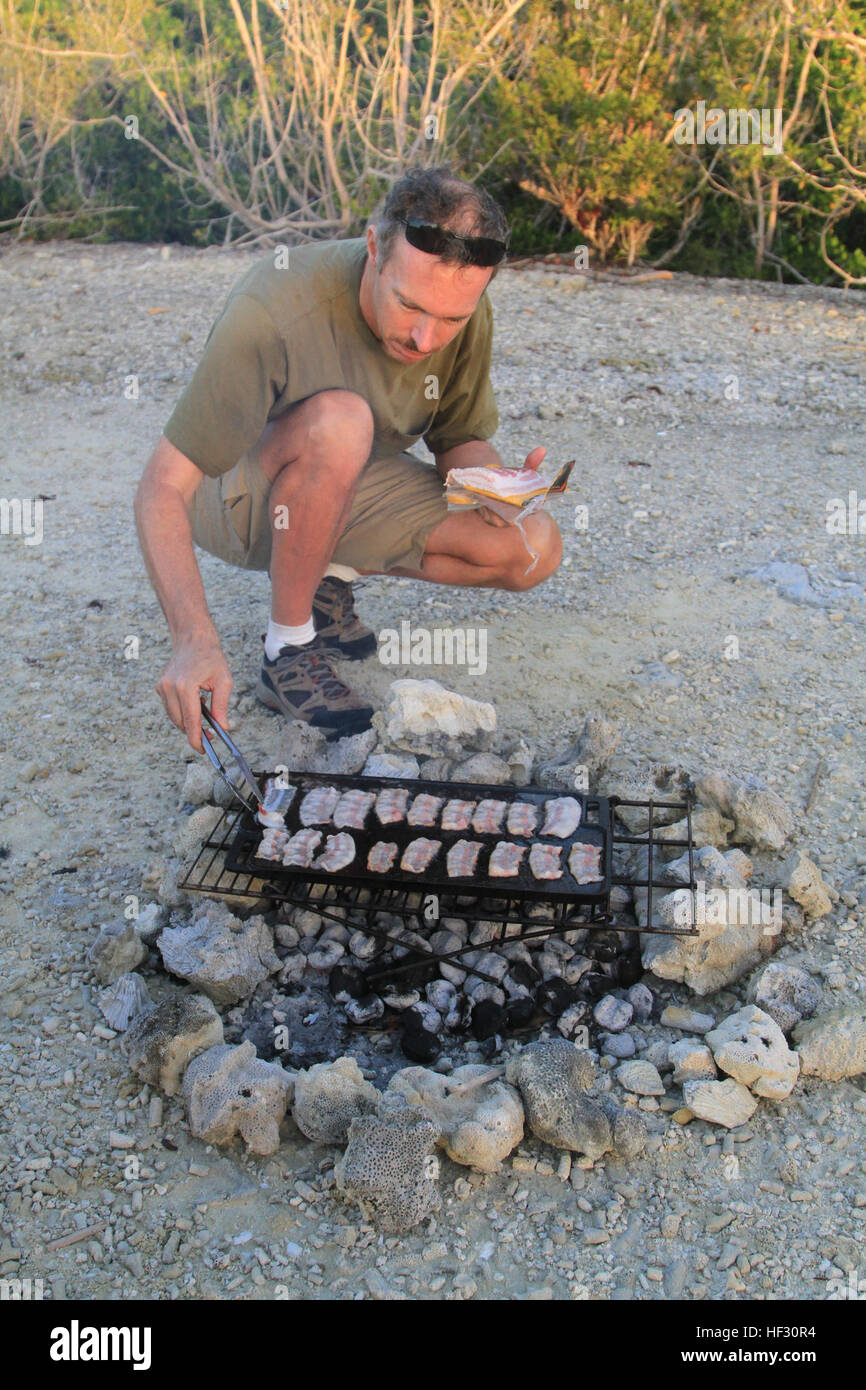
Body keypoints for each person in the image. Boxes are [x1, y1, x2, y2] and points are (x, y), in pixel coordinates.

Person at [135, 165, 562, 752]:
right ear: (372, 248)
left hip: (339, 481)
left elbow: (457, 438)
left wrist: (493, 485)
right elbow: (161, 486)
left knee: (532, 548)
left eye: (451, 319)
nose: (425, 339)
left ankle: (321, 580)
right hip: (232, 498)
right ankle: (287, 650)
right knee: (342, 421)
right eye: (409, 305)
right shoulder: (274, 305)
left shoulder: (458, 307)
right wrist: (192, 638)